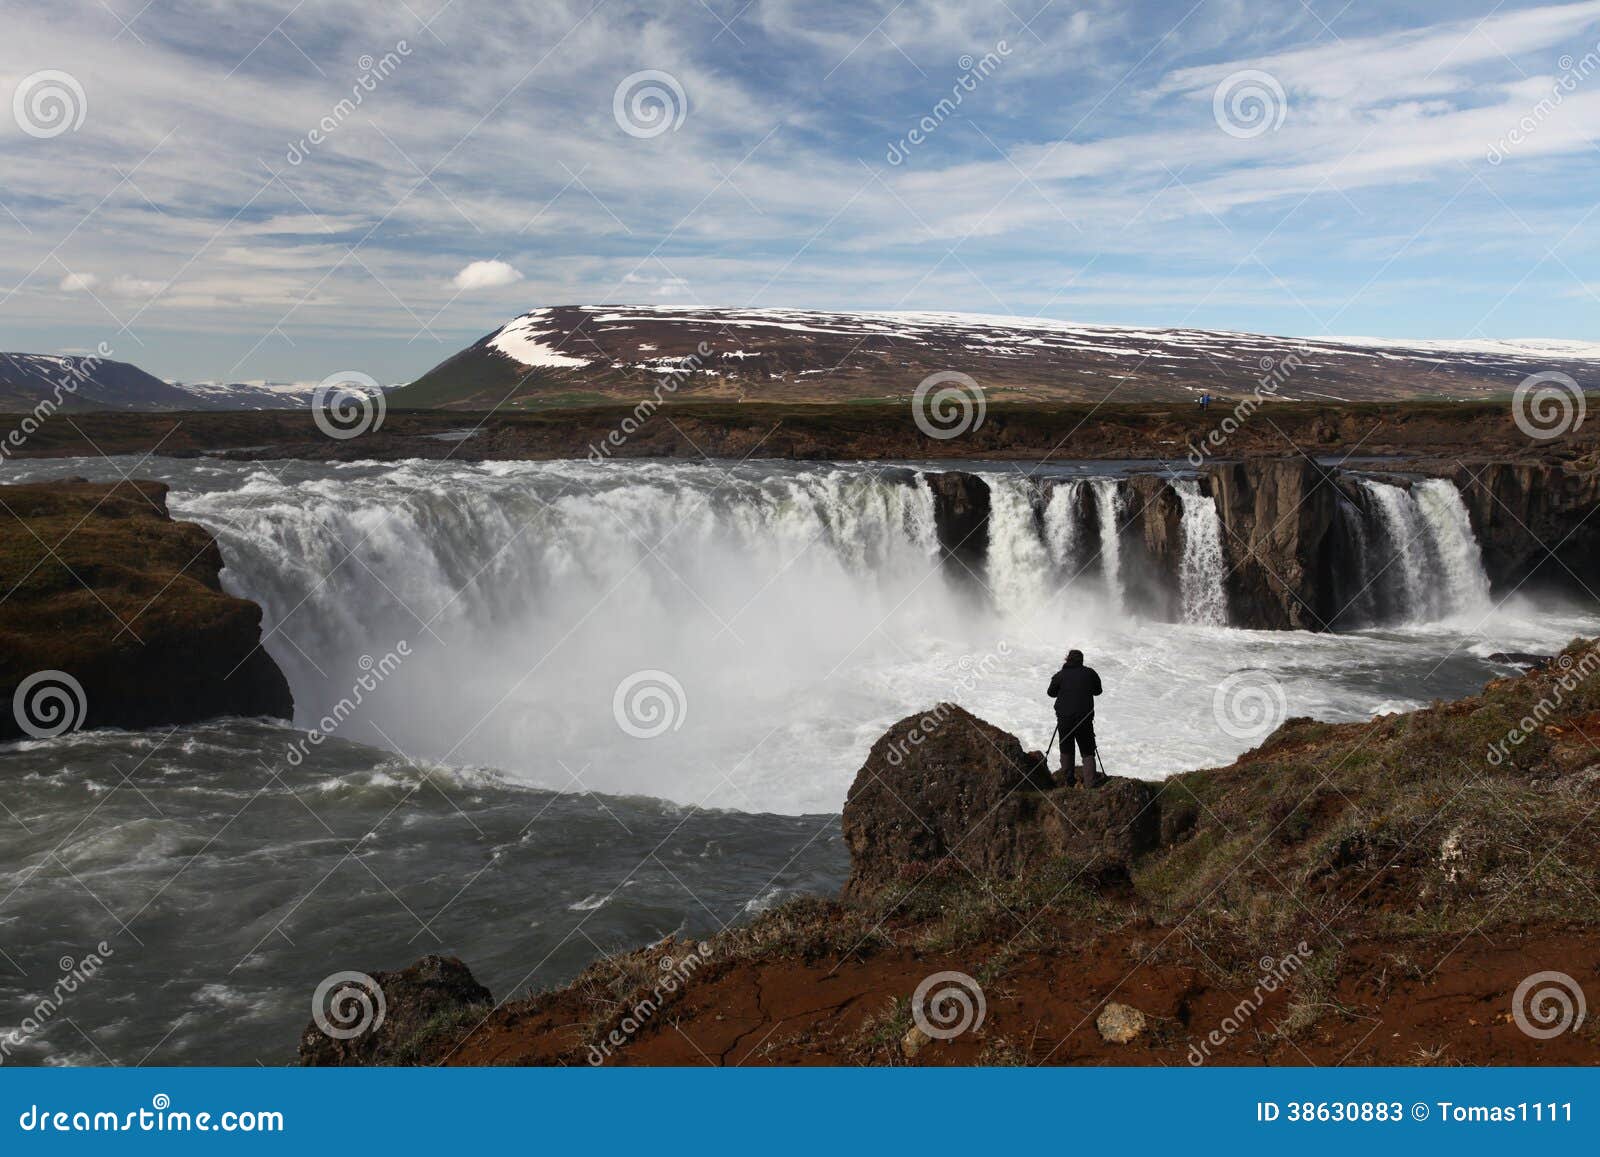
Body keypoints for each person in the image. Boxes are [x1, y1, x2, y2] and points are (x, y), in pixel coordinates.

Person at [1047, 648, 1103, 788]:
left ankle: (1068, 782)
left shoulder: (1060, 675)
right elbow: (1098, 691)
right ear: (1082, 661)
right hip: (1084, 719)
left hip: (1065, 719)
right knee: (1087, 751)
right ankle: (1090, 783)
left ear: (1067, 659)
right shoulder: (1090, 673)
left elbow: (1051, 693)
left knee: (1066, 748)